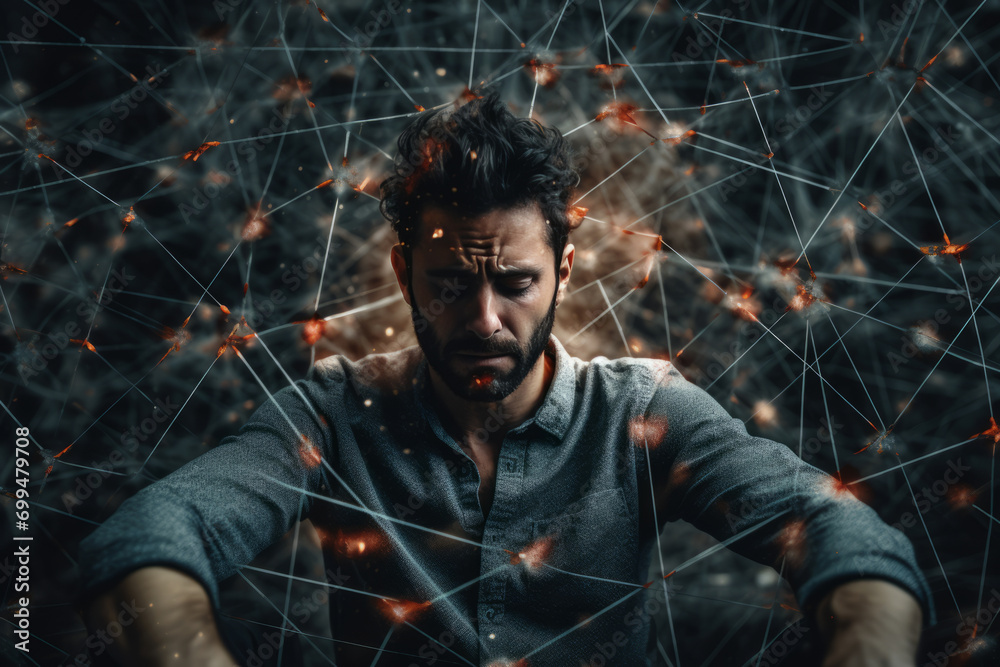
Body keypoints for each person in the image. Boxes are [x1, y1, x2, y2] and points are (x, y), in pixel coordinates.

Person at [77, 93, 931, 666]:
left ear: (561, 270)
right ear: (405, 273)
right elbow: (162, 524)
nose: (484, 320)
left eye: (515, 282)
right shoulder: (335, 412)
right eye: (451, 283)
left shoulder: (642, 411)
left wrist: (867, 636)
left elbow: (836, 528)